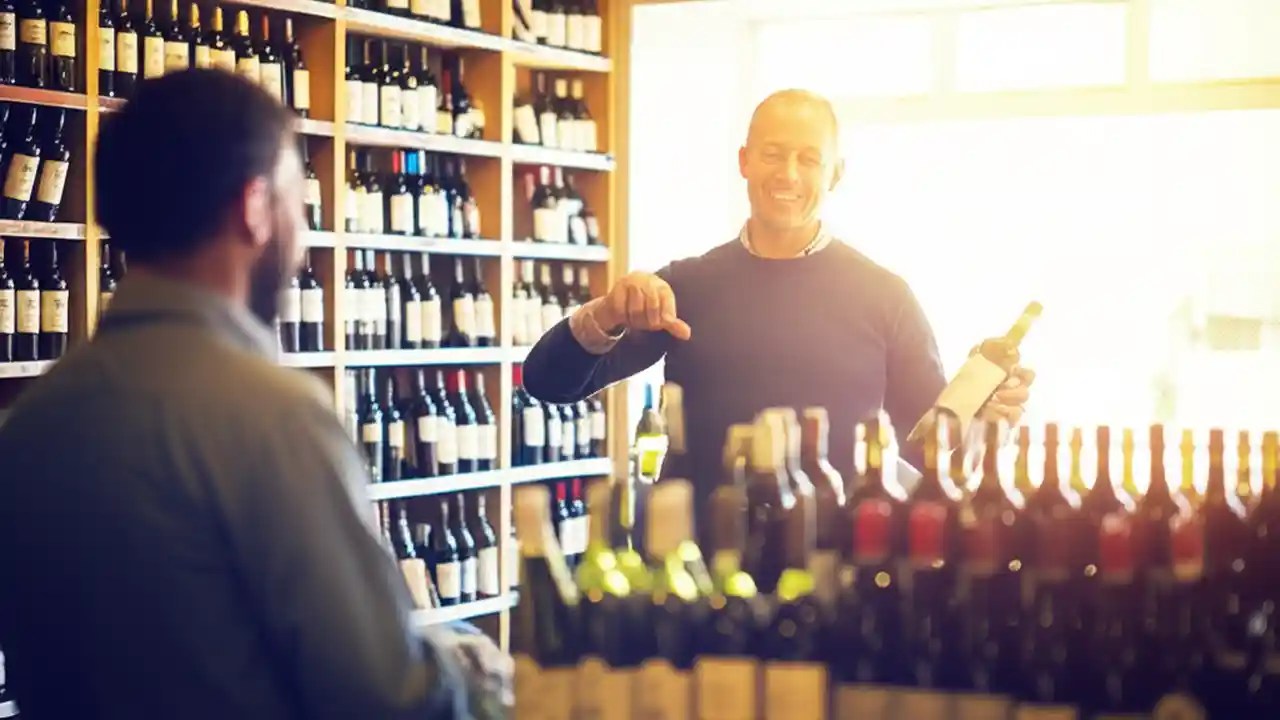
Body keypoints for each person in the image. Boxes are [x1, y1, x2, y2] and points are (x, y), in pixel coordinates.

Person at [0, 71, 474, 719]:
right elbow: (388, 700)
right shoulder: (273, 416)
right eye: (296, 202)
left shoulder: (31, 423)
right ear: (254, 208)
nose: (302, 240)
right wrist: (478, 673)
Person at [524, 88, 1035, 507]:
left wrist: (985, 418)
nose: (788, 173)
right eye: (773, 153)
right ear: (745, 161)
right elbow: (547, 381)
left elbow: (931, 456)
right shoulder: (685, 287)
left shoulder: (885, 296)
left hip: (838, 564)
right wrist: (607, 312)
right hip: (697, 565)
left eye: (809, 159)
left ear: (835, 174)